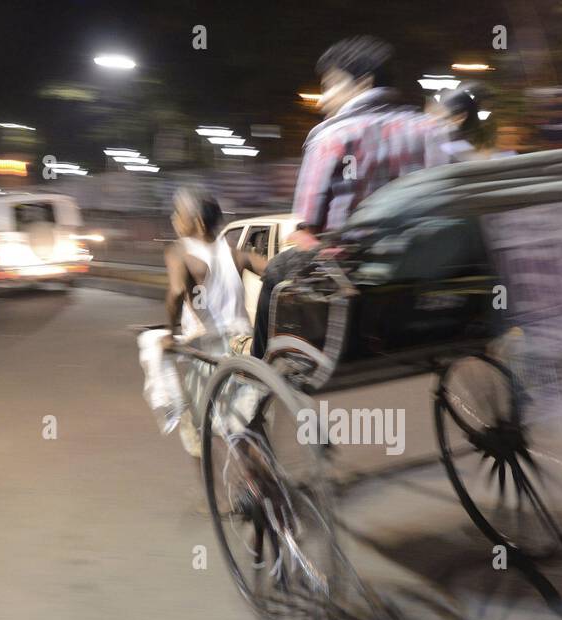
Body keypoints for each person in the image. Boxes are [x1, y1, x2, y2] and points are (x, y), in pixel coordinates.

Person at [250, 35, 448, 359]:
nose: (322, 98)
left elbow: (306, 227)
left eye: (330, 85)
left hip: (350, 274)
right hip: (421, 269)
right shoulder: (429, 130)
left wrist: (301, 238)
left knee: (276, 270)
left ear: (363, 83)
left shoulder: (332, 136)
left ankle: (257, 370)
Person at [160, 185, 266, 458]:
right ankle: (264, 474)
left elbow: (174, 293)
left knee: (198, 427)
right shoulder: (232, 252)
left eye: (178, 213)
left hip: (211, 353)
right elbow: (269, 267)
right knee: (248, 419)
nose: (174, 218)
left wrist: (170, 335)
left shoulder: (180, 251)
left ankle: (216, 491)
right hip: (245, 347)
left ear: (195, 221)